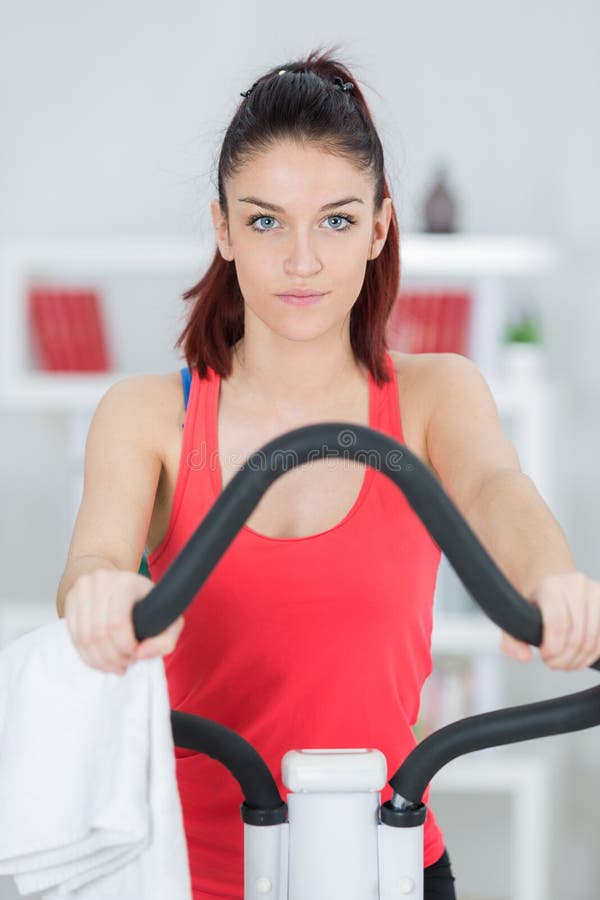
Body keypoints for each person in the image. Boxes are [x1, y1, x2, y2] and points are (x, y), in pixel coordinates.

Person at [56, 47, 600, 900]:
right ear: (224, 229)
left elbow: (497, 488)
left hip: (388, 868)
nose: (301, 261)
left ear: (380, 228)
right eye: (267, 221)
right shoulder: (148, 415)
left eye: (337, 221)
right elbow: (93, 561)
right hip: (186, 877)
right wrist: (97, 594)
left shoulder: (434, 396)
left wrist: (551, 581)